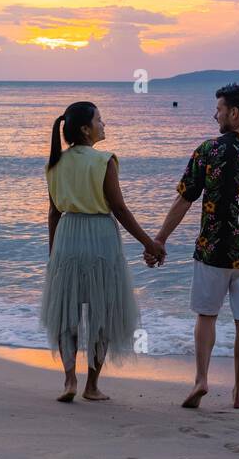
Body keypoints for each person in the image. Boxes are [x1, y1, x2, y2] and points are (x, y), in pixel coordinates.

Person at [151, 83, 239, 409]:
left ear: (233, 112)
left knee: (206, 316)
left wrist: (160, 239)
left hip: (212, 251)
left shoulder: (209, 151)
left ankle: (201, 379)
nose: (214, 114)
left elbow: (184, 199)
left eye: (218, 109)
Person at [40, 101, 165, 402]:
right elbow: (119, 208)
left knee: (66, 309)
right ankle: (91, 387)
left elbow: (54, 213)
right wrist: (149, 243)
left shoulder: (55, 163)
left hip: (67, 237)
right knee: (103, 312)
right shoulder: (104, 160)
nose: (104, 124)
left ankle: (69, 379)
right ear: (85, 129)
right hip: (99, 236)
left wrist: (52, 250)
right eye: (99, 120)